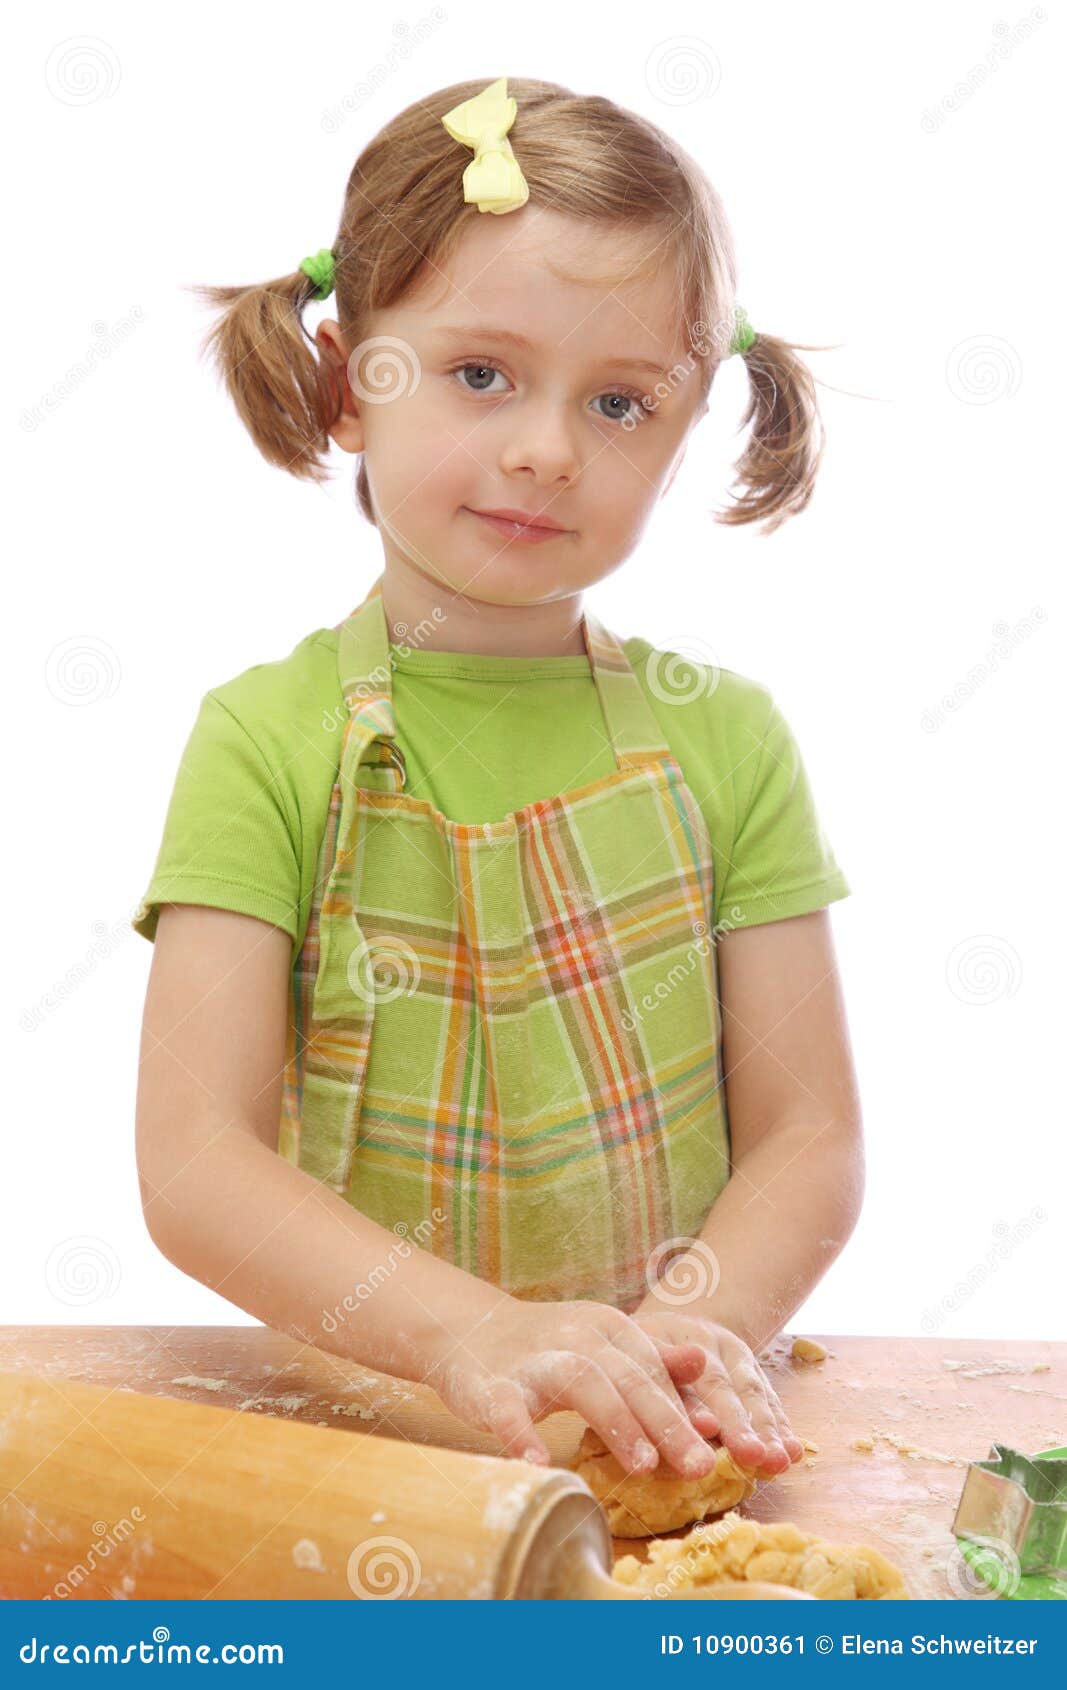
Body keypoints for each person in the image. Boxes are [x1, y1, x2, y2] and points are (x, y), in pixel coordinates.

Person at [133, 77, 862, 1495]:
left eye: (619, 401)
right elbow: (195, 1160)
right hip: (368, 1445)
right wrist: (472, 1332)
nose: (547, 448)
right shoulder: (263, 739)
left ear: (691, 419)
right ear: (354, 383)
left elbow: (812, 1132)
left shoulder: (729, 738)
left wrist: (682, 1345)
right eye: (481, 374)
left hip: (656, 1443)